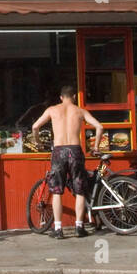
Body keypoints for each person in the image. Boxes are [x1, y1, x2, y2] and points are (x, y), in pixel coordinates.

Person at [31, 86, 103, 239]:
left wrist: (37, 143)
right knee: (80, 189)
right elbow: (99, 126)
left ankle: (58, 229)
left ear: (61, 97)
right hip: (75, 151)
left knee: (57, 190)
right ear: (74, 97)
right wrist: (95, 146)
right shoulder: (80, 111)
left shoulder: (52, 110)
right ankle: (79, 227)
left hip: (58, 151)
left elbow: (35, 126)